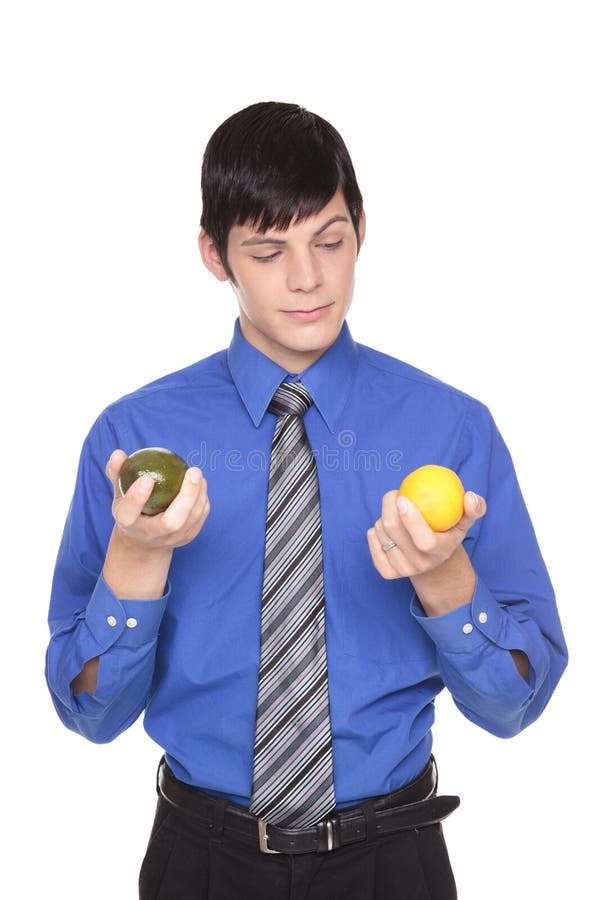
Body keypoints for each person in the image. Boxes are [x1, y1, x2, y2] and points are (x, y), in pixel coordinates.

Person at [45, 101, 568, 900]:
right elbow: (89, 716)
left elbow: (515, 709)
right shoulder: (135, 436)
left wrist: (447, 578)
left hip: (393, 862)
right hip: (201, 864)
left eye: (330, 240)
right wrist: (138, 555)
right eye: (266, 250)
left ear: (362, 226)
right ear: (214, 256)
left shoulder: (451, 428)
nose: (308, 278)